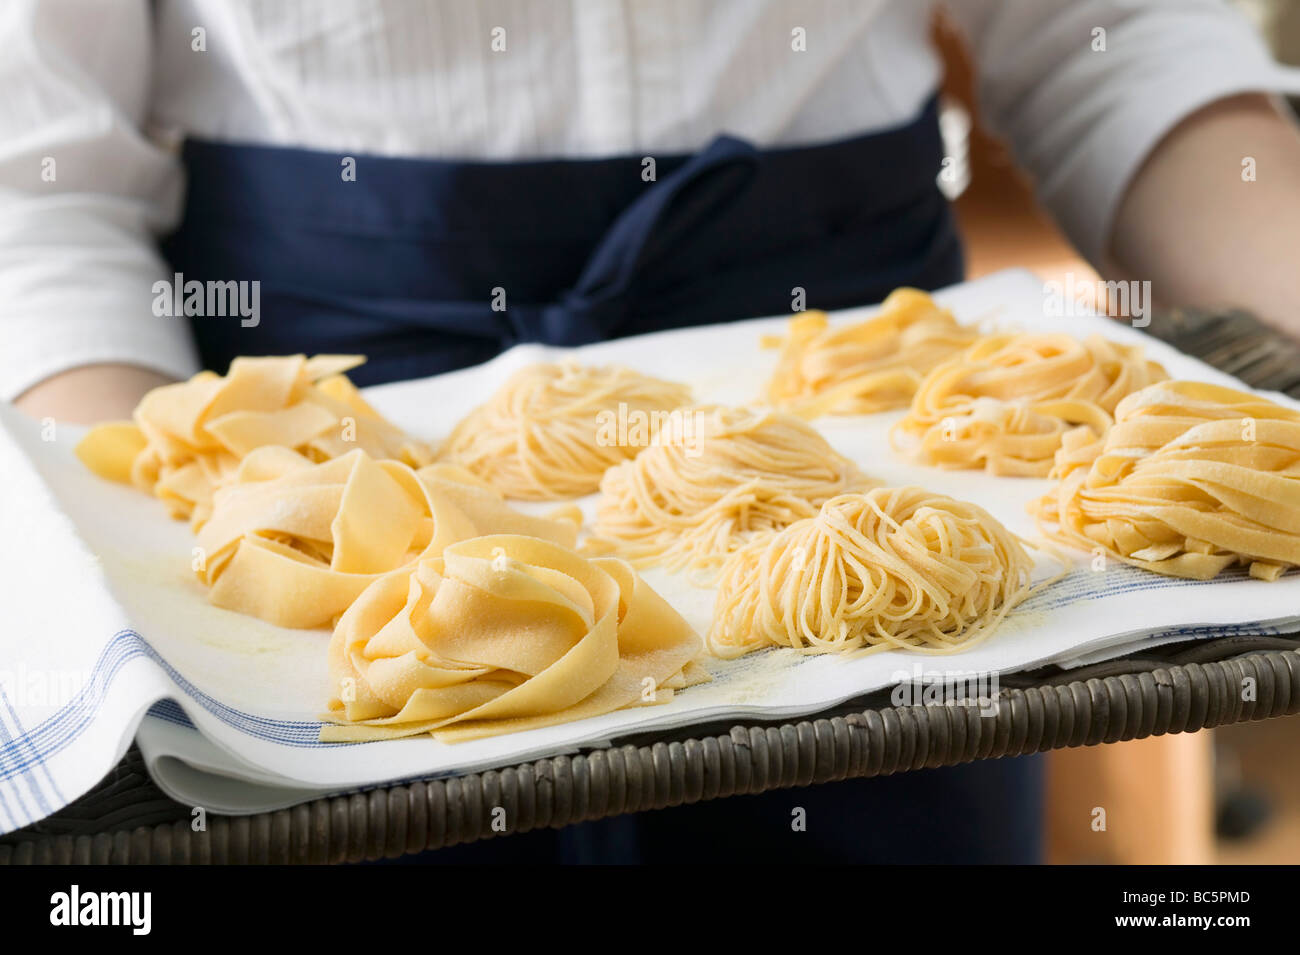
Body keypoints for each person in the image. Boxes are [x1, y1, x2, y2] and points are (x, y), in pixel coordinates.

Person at [4, 0, 1300, 863]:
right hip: (328, 430)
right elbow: (38, 177)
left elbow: (1116, 34)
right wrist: (200, 546)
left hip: (866, 421)